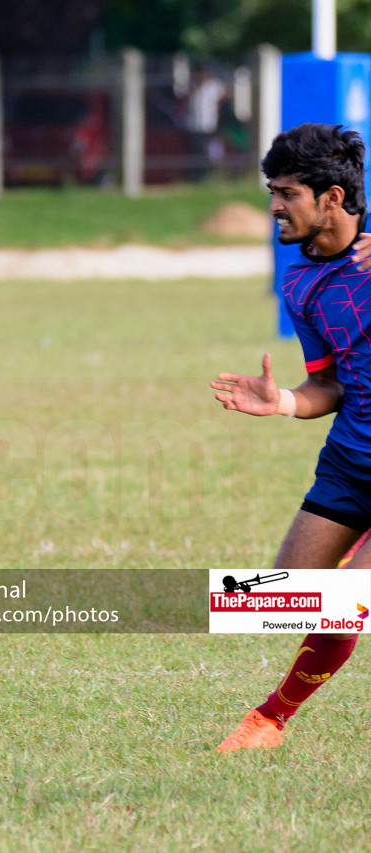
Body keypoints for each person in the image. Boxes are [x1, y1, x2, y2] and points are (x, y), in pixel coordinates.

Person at [210, 123, 368, 752]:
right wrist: (284, 403)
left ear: (332, 196)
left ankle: (267, 720)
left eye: (286, 193)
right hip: (353, 458)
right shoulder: (301, 284)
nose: (274, 206)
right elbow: (329, 384)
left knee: (352, 595)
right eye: (271, 191)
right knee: (285, 596)